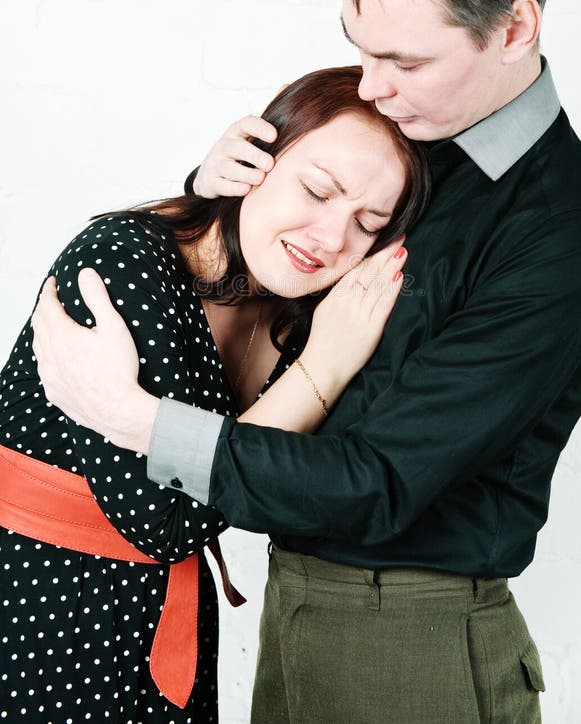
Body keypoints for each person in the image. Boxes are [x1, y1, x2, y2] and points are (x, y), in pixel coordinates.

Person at [31, 0, 581, 724]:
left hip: (411, 643)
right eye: (357, 46)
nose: (372, 85)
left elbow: (379, 478)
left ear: (513, 27)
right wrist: (227, 199)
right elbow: (294, 295)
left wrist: (135, 420)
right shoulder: (416, 136)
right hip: (299, 608)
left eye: (401, 59)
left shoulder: (566, 235)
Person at [0, 66, 428, 724]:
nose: (331, 236)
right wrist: (323, 371)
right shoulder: (122, 261)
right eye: (317, 190)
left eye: (366, 223)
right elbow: (164, 523)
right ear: (252, 162)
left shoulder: (300, 313)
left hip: (160, 620)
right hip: (43, 611)